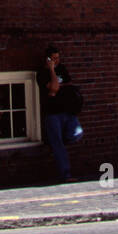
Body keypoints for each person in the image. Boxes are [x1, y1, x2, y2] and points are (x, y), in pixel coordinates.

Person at [36, 45, 84, 183]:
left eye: (58, 58)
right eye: (54, 59)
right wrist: (51, 70)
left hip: (67, 110)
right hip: (52, 113)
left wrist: (55, 90)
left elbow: (65, 86)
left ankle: (59, 141)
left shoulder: (62, 69)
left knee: (77, 133)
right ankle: (66, 174)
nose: (57, 61)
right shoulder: (42, 73)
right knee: (58, 146)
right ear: (48, 59)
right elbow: (54, 87)